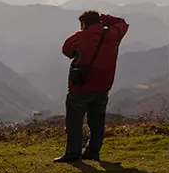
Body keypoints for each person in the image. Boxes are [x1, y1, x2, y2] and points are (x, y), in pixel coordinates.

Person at [54, 10, 129, 163]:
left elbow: (66, 50)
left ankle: (73, 153)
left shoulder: (79, 37)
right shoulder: (113, 34)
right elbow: (122, 22)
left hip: (81, 86)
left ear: (83, 23)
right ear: (99, 21)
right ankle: (92, 152)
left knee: (74, 122)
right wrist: (104, 18)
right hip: (103, 85)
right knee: (97, 121)